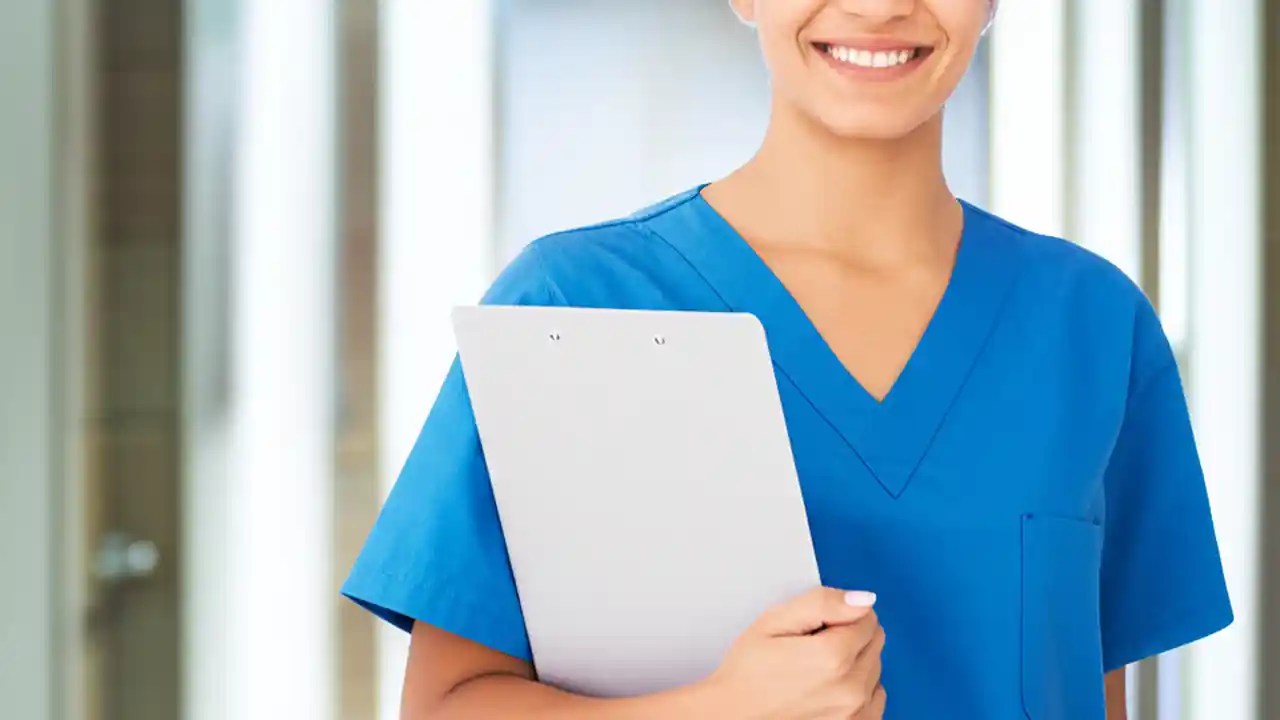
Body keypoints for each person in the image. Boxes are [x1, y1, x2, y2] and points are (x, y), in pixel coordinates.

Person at [342, 1, 1234, 717]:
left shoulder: (1093, 325)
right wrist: (713, 712)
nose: (882, 8)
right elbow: (446, 705)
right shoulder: (572, 304)